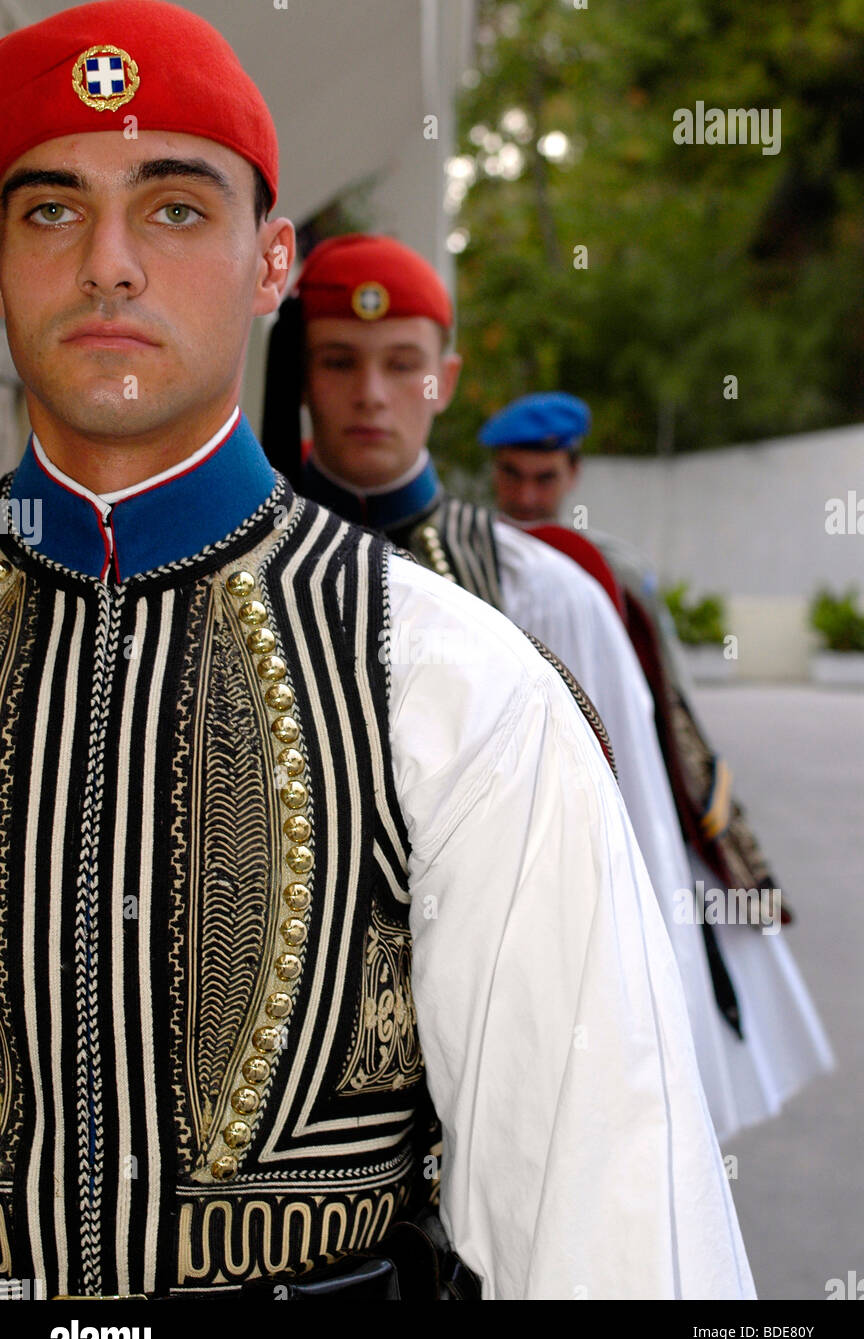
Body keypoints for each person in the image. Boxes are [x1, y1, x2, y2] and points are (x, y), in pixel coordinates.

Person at [0, 0, 755, 1302]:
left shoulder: (460, 683)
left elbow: (598, 1208)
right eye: (51, 209)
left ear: (270, 264)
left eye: (174, 208)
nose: (109, 263)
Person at [267, 232, 791, 1140]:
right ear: (299, 375)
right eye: (338, 361)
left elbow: (630, 844)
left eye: (403, 364)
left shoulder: (543, 590)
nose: (371, 394)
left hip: (500, 1029)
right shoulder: (238, 571)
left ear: (446, 380)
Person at [483, 391, 835, 1134]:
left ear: (573, 476)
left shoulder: (617, 569)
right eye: (512, 476)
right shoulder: (471, 561)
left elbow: (666, 701)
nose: (526, 496)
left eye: (543, 478)